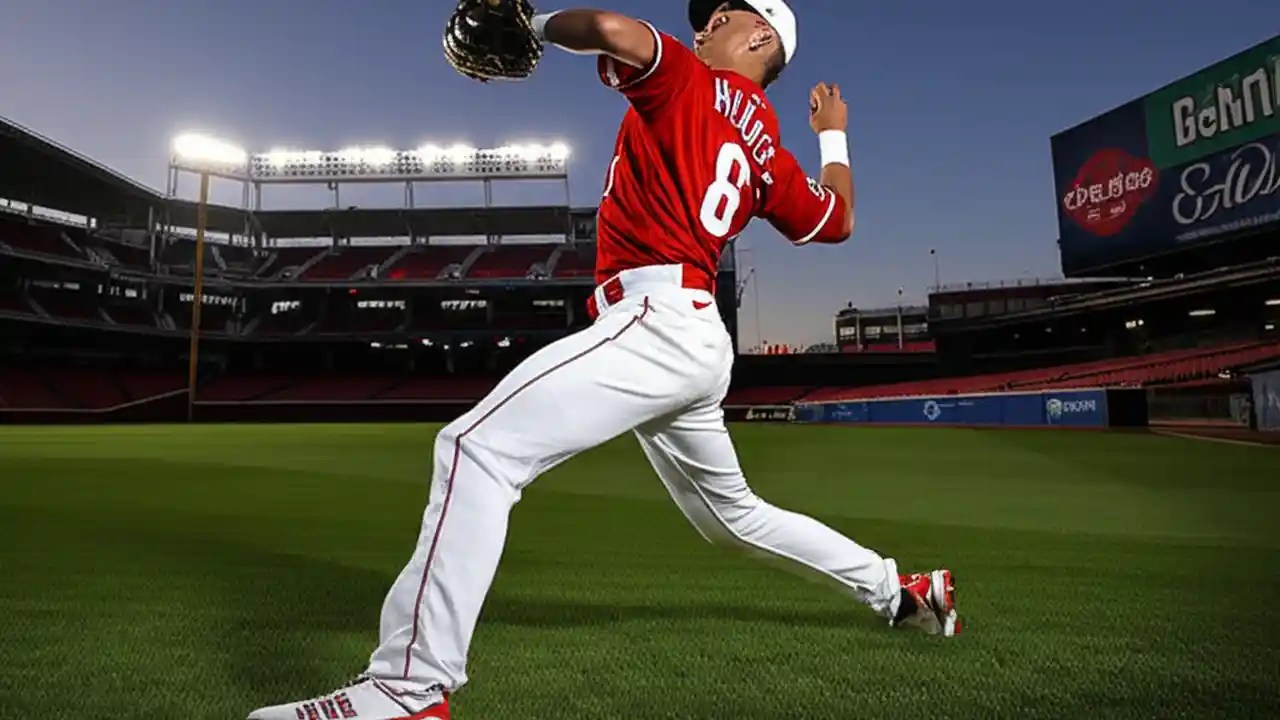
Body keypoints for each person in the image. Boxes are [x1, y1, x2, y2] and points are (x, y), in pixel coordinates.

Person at [248, 2, 957, 718]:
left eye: (724, 13)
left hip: (655, 317)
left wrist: (539, 22)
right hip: (697, 334)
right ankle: (903, 592)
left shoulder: (687, 77)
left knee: (476, 450)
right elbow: (838, 221)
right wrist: (833, 137)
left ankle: (409, 690)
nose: (704, 22)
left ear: (761, 36)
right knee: (735, 518)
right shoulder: (768, 146)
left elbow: (615, 32)